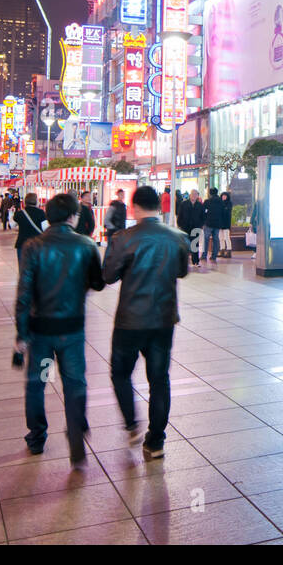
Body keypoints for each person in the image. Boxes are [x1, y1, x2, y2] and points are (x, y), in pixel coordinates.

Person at [14, 193, 105, 464]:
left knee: (38, 382)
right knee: (75, 382)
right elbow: (99, 283)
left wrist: (21, 333)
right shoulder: (86, 245)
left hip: (41, 332)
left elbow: (24, 294)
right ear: (73, 217)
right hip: (72, 330)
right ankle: (75, 431)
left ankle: (37, 436)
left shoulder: (33, 246)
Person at [102, 185, 190, 459]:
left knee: (120, 373)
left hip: (130, 320)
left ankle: (131, 424)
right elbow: (182, 272)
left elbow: (108, 276)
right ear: (158, 206)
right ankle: (156, 442)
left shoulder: (123, 238)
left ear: (135, 207)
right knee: (159, 380)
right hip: (163, 320)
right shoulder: (178, 237)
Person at [14, 193, 47, 265]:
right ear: (36, 201)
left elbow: (12, 225)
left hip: (22, 244)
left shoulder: (20, 213)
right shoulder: (41, 213)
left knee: (23, 268)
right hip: (37, 244)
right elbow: (45, 228)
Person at [203, 187, 226, 264]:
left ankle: (204, 255)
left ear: (210, 193)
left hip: (208, 223)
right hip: (218, 223)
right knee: (216, 239)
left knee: (206, 239)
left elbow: (203, 212)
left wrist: (204, 220)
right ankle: (214, 256)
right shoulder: (221, 202)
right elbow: (223, 213)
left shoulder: (207, 201)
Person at [187, 189, 206, 267]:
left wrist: (201, 225)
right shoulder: (184, 204)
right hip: (186, 227)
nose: (194, 196)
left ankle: (195, 261)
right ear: (190, 195)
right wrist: (182, 225)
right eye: (192, 194)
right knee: (187, 243)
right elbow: (180, 215)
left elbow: (203, 216)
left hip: (196, 227)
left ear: (197, 196)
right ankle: (186, 261)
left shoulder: (200, 205)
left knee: (195, 244)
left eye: (196, 194)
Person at [219, 191, 233, 258]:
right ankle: (222, 251)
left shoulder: (229, 203)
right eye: (222, 196)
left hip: (226, 223)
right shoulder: (219, 203)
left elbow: (227, 211)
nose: (223, 197)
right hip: (220, 223)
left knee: (227, 237)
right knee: (221, 238)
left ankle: (229, 251)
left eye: (225, 196)